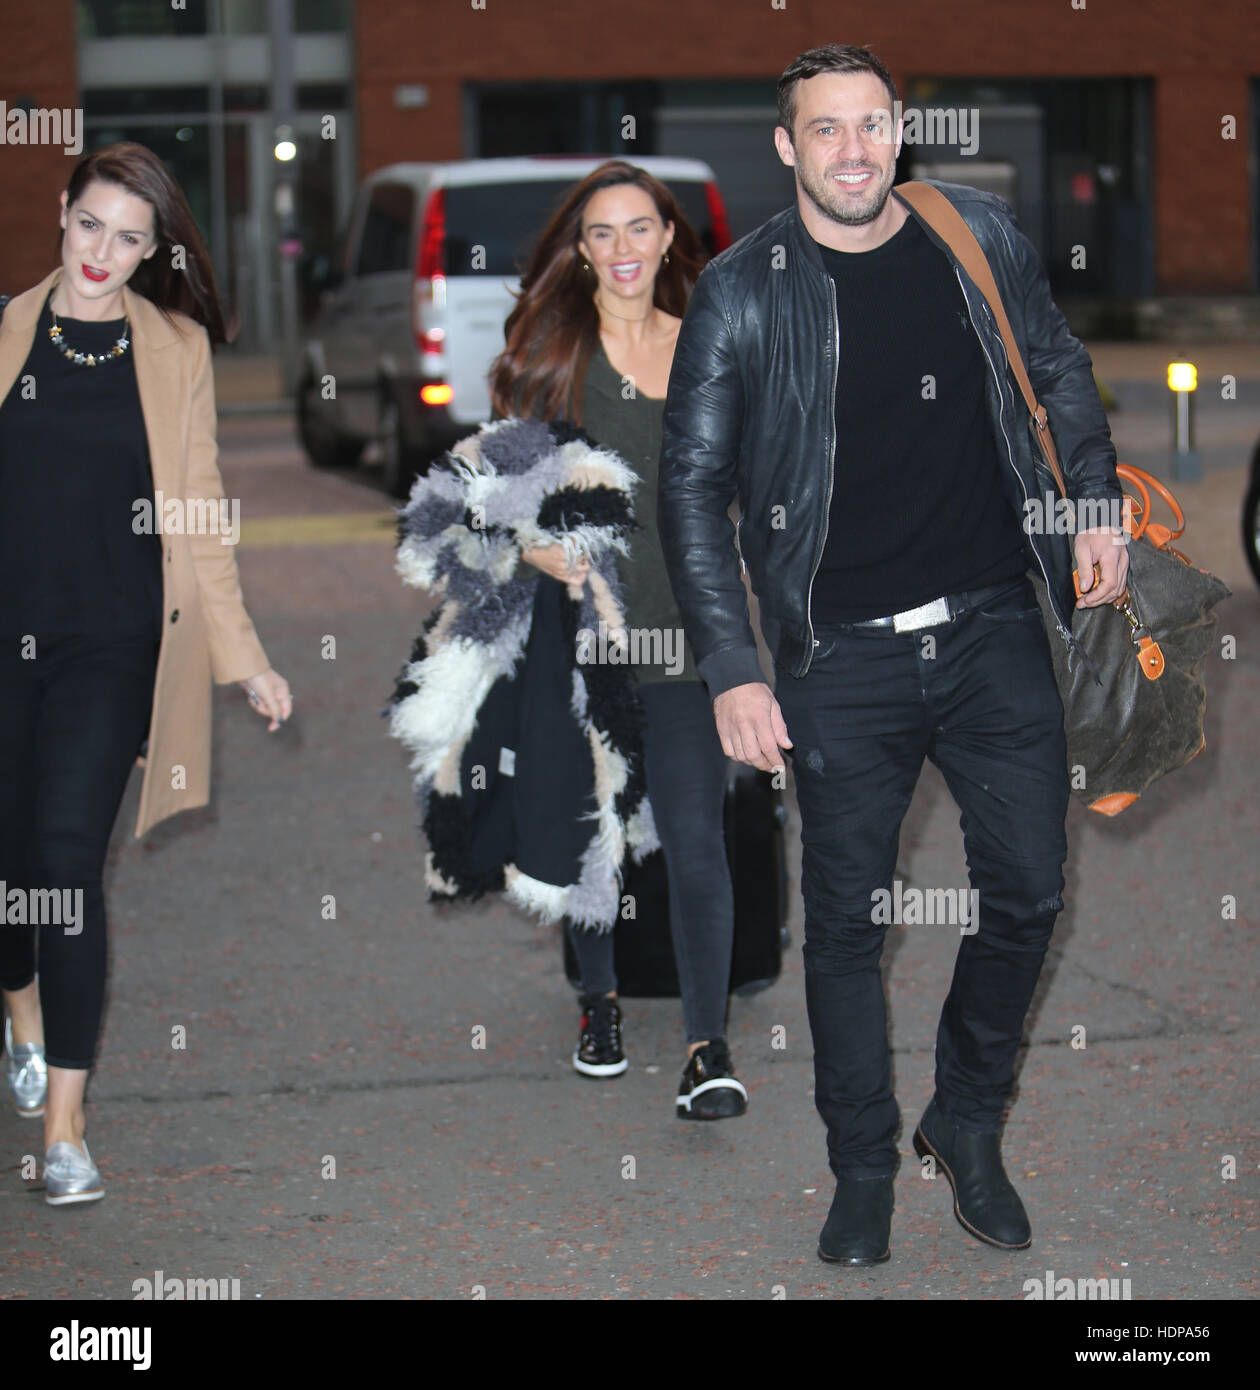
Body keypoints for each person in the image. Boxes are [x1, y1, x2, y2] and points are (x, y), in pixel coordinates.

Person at [658, 45, 1128, 1259]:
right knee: (849, 926)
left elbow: (1060, 368)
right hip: (838, 657)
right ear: (786, 148)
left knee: (1028, 890)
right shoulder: (741, 290)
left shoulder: (972, 234)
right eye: (827, 130)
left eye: (873, 124)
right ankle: (861, 1162)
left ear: (900, 131)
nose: (855, 149)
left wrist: (1092, 501)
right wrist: (733, 662)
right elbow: (691, 487)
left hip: (989, 629)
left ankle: (966, 1122)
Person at [0, 142, 291, 1206]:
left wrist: (245, 656)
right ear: (60, 213)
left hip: (111, 650)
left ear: (154, 247)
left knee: (68, 864)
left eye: (129, 238)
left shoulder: (174, 350)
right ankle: (20, 1006)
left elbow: (200, 518)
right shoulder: (4, 333)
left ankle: (65, 1125)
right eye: (89, 226)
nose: (102, 254)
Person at [487, 160, 748, 1118]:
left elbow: (748, 481)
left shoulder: (709, 343)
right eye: (603, 233)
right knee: (591, 833)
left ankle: (706, 1047)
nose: (624, 249)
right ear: (581, 247)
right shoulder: (556, 352)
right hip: (584, 640)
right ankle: (597, 1003)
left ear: (670, 237)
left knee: (695, 839)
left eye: (641, 228)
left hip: (687, 641)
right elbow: (503, 486)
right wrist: (531, 544)